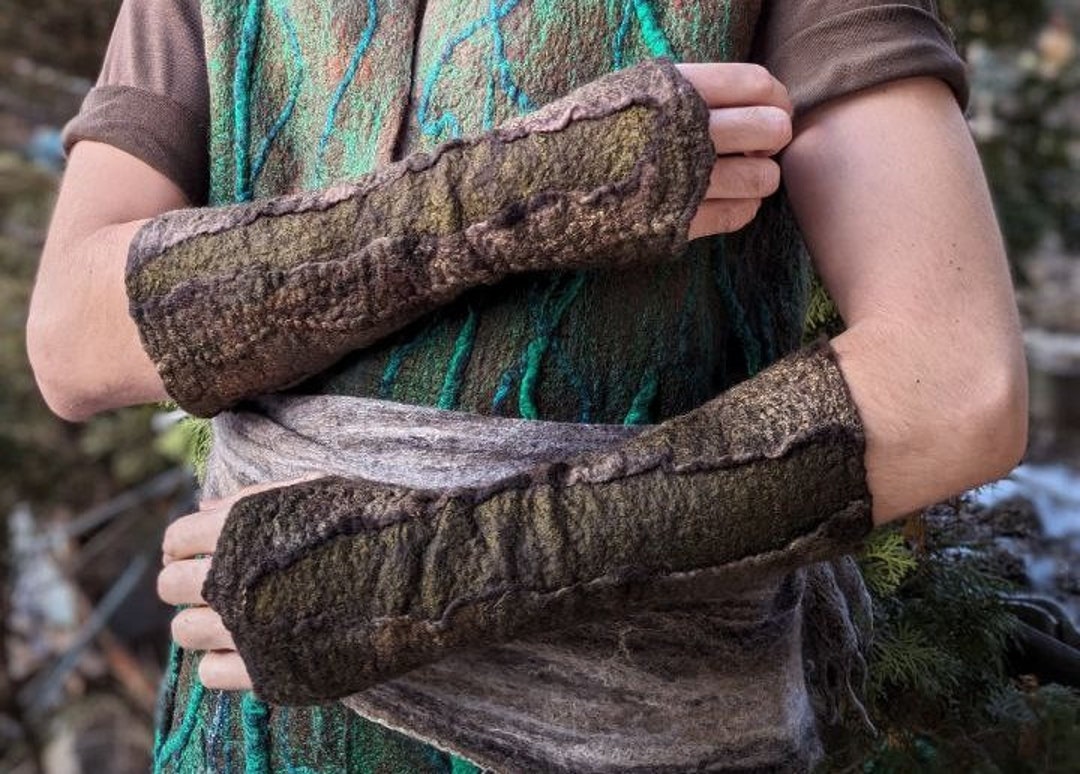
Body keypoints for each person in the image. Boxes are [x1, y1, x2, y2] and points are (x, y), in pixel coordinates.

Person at [27, 0, 1028, 771]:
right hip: (250, 725)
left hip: (645, 733)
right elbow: (74, 341)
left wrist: (430, 569)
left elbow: (954, 381)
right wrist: (487, 202)